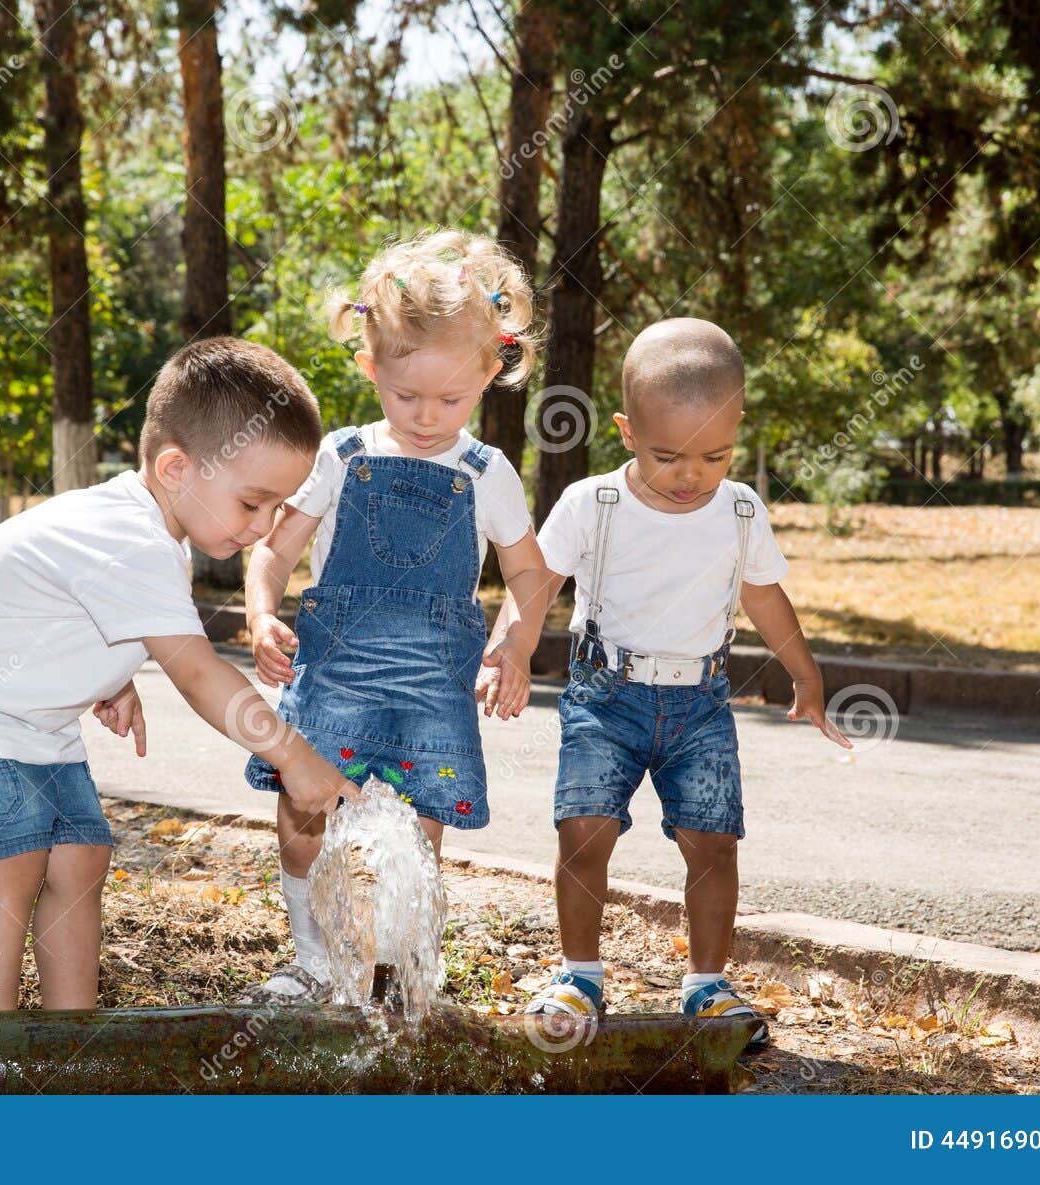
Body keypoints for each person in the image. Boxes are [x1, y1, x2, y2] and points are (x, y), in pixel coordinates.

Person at [0, 337, 356, 1012]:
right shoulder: (130, 536)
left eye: (278, 507)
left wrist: (111, 673)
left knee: (81, 858)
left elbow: (64, 604)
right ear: (174, 467)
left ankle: (70, 1033)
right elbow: (196, 670)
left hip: (27, 720)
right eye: (253, 502)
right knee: (13, 864)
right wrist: (292, 753)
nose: (265, 525)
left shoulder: (148, 529)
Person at [500, 318, 852, 1045]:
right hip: (606, 697)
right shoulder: (591, 503)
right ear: (627, 430)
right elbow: (538, 579)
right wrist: (514, 642)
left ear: (738, 429)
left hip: (701, 703)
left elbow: (762, 597)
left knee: (712, 841)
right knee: (583, 830)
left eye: (714, 454)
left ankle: (708, 986)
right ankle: (578, 976)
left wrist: (807, 673)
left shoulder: (740, 510)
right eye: (668, 455)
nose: (691, 473)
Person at [240, 229, 556, 1004]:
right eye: (405, 394)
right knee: (302, 817)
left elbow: (531, 575)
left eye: (450, 399)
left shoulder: (487, 472)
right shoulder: (342, 456)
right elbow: (272, 554)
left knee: (418, 835)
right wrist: (260, 615)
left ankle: (397, 973)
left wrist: (514, 648)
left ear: (491, 371)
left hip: (432, 690)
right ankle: (314, 959)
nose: (425, 416)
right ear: (369, 366)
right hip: (336, 672)